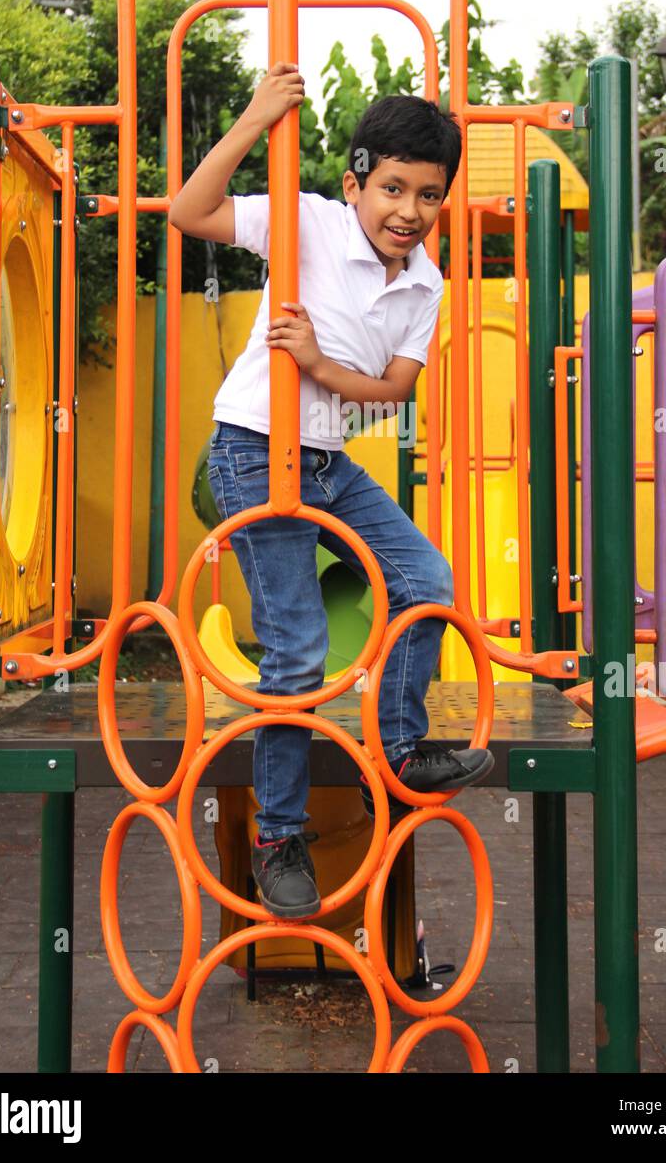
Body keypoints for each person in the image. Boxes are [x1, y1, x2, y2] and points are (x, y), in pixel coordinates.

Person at [169, 62, 494, 920]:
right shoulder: (305, 222)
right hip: (250, 447)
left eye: (428, 196)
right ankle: (279, 837)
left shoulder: (426, 280)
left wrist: (316, 365)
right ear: (355, 183)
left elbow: (391, 391)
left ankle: (397, 743)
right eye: (392, 187)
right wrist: (253, 117)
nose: (407, 212)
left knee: (426, 580)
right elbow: (189, 211)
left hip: (325, 459)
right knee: (298, 649)